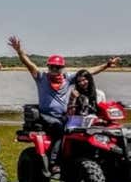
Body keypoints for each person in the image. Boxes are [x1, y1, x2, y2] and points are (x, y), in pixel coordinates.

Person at [7, 36, 120, 164]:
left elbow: (87, 73)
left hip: (64, 115)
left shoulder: (67, 78)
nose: (55, 70)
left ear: (62, 68)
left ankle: (80, 157)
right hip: (47, 115)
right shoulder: (41, 77)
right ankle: (54, 162)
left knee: (85, 128)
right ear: (48, 67)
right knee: (59, 129)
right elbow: (29, 64)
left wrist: (107, 65)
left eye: (58, 67)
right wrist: (19, 51)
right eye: (52, 67)